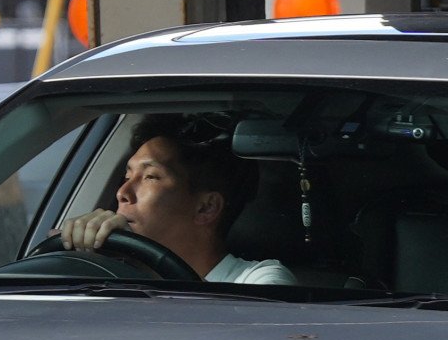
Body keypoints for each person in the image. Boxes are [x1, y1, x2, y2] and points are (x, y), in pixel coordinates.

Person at [54, 117, 319, 284]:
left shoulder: (259, 280)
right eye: (127, 175)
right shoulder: (112, 279)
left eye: (150, 177)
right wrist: (88, 261)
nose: (122, 192)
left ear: (206, 207)